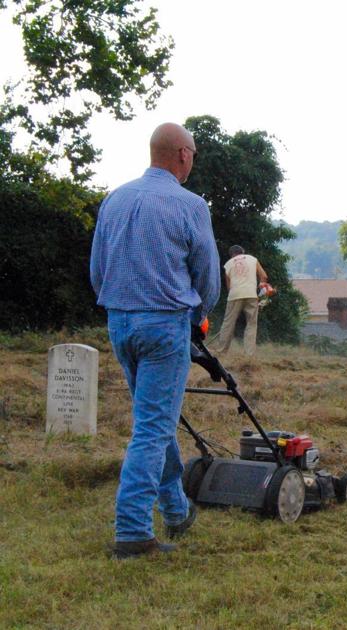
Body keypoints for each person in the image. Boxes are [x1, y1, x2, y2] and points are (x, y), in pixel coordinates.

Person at [90, 122, 220, 558]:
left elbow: (97, 270)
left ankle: (177, 510)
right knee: (151, 428)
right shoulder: (190, 205)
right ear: (183, 155)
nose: (193, 162)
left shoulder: (115, 200)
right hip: (164, 326)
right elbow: (207, 275)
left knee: (156, 420)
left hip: (120, 323)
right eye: (195, 155)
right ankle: (131, 533)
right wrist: (200, 317)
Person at [214, 245, 268, 356]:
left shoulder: (228, 264)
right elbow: (264, 276)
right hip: (251, 294)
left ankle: (221, 351)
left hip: (235, 295)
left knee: (228, 323)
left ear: (232, 255)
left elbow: (229, 287)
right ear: (243, 252)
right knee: (251, 325)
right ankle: (249, 354)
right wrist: (261, 291)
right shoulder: (253, 259)